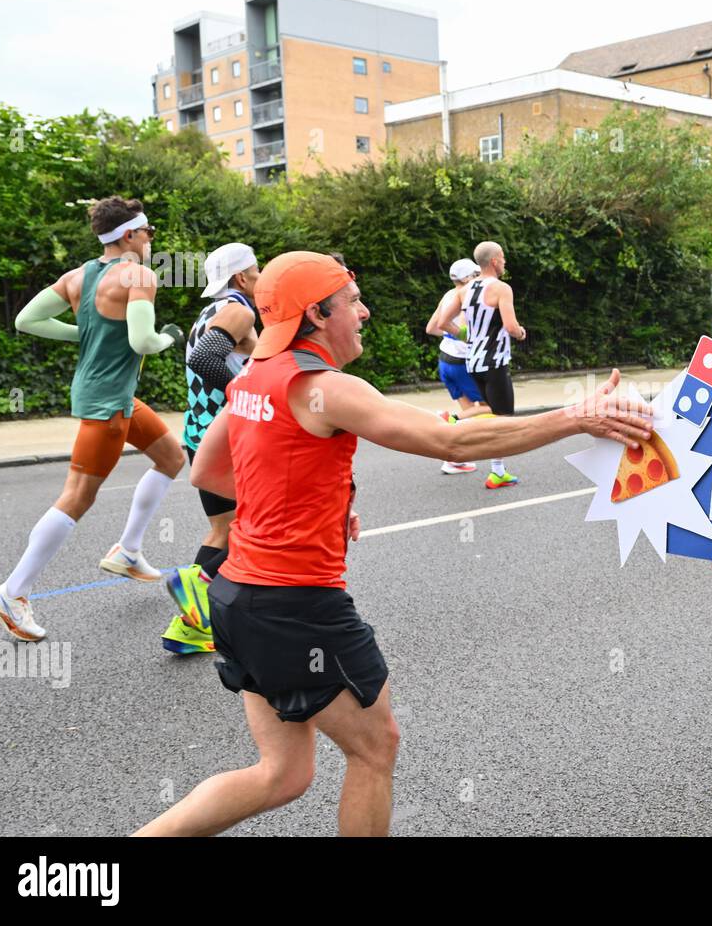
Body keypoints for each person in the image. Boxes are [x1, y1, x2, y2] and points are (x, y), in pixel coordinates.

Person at [133, 252, 651, 836]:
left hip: (235, 598)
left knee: (281, 774)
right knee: (376, 748)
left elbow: (208, 471)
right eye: (352, 301)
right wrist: (578, 416)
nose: (365, 311)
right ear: (317, 313)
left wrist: (306, 504)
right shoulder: (321, 385)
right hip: (294, 607)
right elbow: (448, 442)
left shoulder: (254, 373)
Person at [0, 197, 185, 642]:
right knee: (76, 497)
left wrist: (84, 332)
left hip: (113, 396)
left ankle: (128, 550)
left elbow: (26, 319)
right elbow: (143, 341)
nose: (151, 240)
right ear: (129, 235)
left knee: (170, 456)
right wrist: (169, 337)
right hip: (109, 403)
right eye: (148, 232)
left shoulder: (77, 276)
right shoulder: (139, 276)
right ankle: (12, 593)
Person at [162, 242, 261, 654]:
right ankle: (196, 581)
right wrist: (247, 393)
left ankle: (189, 628)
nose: (262, 277)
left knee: (227, 528)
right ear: (241, 277)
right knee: (259, 524)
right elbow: (205, 360)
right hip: (226, 437)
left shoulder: (209, 312)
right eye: (257, 271)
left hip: (199, 433)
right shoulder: (240, 310)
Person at [434, 241, 527, 489]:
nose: (505, 262)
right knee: (503, 420)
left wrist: (469, 336)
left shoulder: (464, 290)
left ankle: (462, 431)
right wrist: (520, 334)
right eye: (503, 258)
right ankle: (493, 469)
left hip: (472, 362)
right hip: (494, 361)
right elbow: (510, 326)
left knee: (490, 413)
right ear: (495, 260)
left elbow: (443, 322)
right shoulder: (501, 289)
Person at [425, 258, 491, 475]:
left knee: (470, 413)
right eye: (475, 274)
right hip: (463, 363)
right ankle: (446, 419)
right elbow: (471, 334)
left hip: (445, 360)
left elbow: (431, 328)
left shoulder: (448, 295)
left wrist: (452, 336)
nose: (479, 278)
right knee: (490, 406)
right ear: (466, 278)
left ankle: (454, 460)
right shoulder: (469, 298)